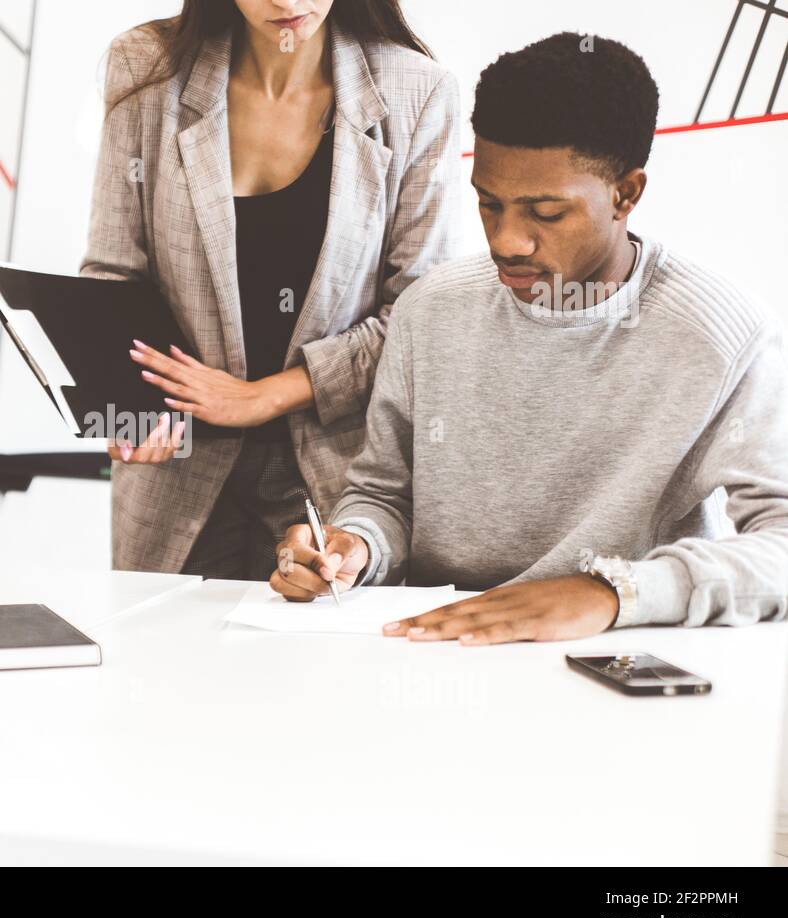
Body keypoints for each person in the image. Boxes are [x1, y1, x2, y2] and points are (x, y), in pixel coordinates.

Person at [269, 32, 788, 641]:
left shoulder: (717, 335)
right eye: (489, 204)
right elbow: (383, 495)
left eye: (545, 213)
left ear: (626, 194)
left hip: (617, 661)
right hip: (437, 654)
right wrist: (354, 545)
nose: (507, 241)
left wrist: (611, 594)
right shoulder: (430, 310)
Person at [81, 0, 461, 577]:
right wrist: (126, 403)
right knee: (160, 662)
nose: (286, 3)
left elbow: (415, 318)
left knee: (306, 663)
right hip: (176, 469)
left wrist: (262, 396)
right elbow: (112, 274)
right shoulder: (147, 65)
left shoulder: (418, 91)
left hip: (335, 472)